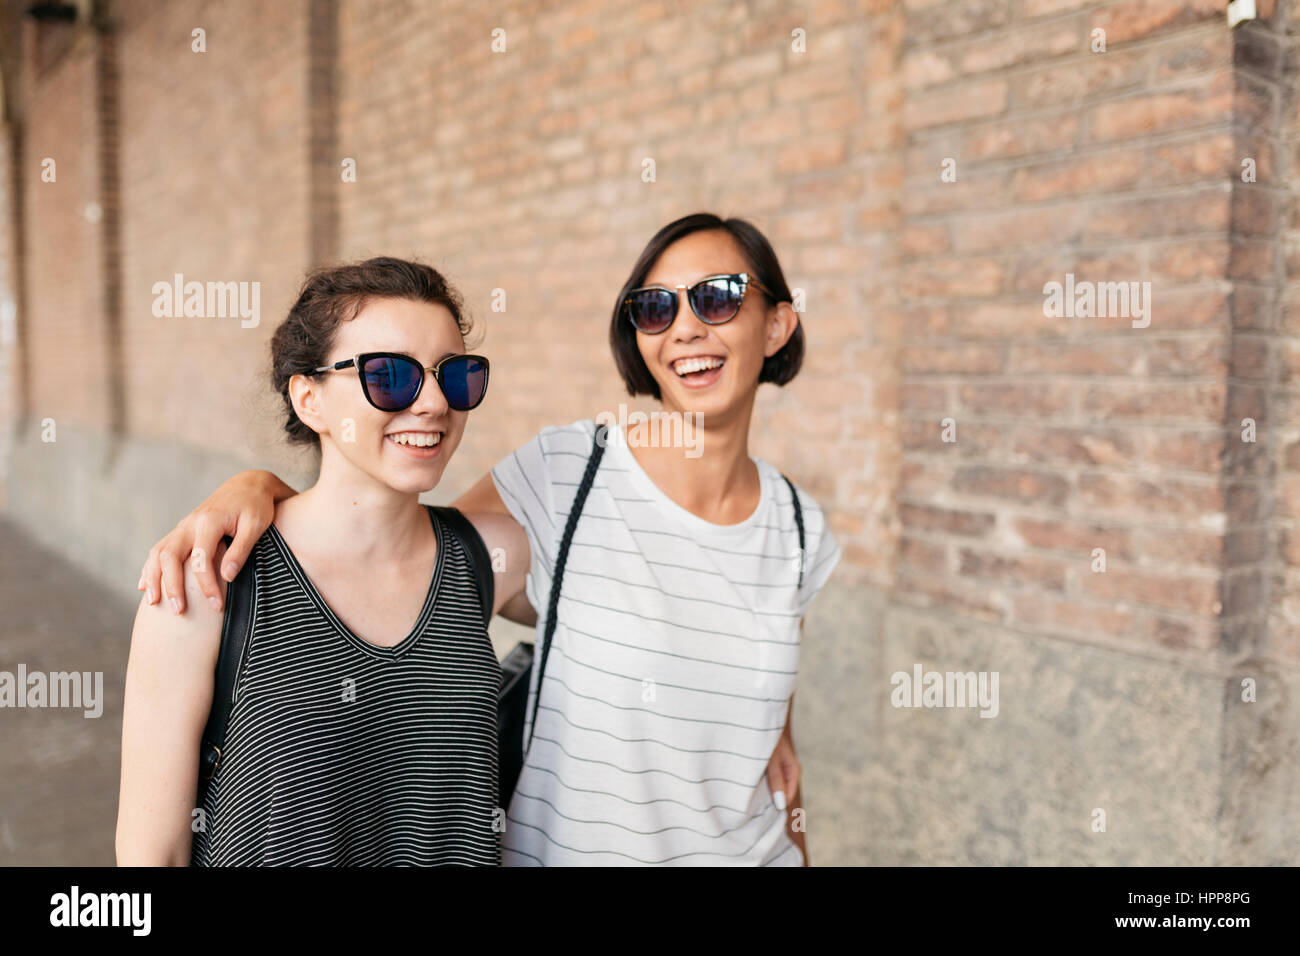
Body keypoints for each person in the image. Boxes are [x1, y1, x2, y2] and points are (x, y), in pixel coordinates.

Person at [139, 213, 841, 865]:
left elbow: (771, 737)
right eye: (657, 307)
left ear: (778, 325)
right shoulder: (571, 475)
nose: (686, 327)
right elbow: (382, 539)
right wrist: (257, 488)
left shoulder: (801, 527)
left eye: (717, 297)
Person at [117, 257, 524, 865]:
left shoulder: (483, 556)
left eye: (456, 374)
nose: (435, 402)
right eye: (390, 376)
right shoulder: (205, 584)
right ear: (309, 400)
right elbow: (154, 858)